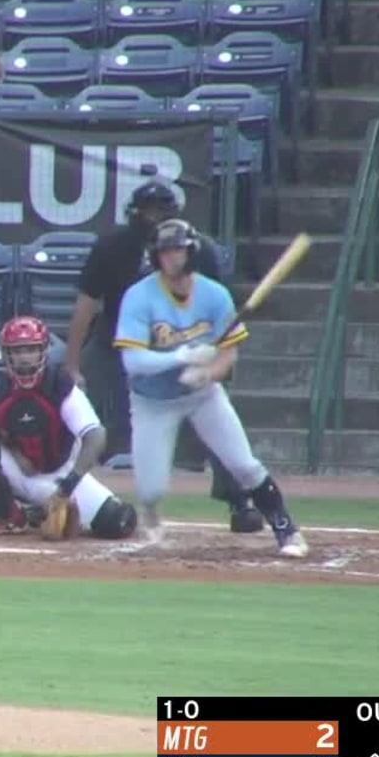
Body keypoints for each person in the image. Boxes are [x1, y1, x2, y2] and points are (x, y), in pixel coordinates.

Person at [65, 178, 266, 535]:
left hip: (181, 346)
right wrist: (72, 365)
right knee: (75, 407)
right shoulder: (113, 246)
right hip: (118, 342)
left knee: (216, 416)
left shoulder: (199, 249)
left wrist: (216, 363)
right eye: (149, 211)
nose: (155, 218)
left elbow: (219, 307)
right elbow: (86, 304)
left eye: (161, 211)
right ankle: (61, 490)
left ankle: (238, 499)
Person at [113, 220, 308, 558]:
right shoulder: (139, 296)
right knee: (151, 488)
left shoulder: (214, 296)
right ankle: (152, 514)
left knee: (244, 465)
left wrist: (208, 374)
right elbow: (133, 362)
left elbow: (228, 355)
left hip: (202, 398)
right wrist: (182, 356)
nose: (173, 259)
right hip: (152, 401)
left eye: (178, 251)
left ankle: (287, 530)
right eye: (166, 253)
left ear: (191, 252)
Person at [0, 315, 140, 539]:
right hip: (21, 472)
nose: (24, 358)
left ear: (43, 351)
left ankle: (38, 512)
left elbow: (96, 436)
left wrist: (67, 488)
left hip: (63, 475)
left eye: (30, 350)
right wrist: (18, 456)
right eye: (17, 351)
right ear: (6, 355)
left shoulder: (62, 389)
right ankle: (10, 516)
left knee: (118, 521)